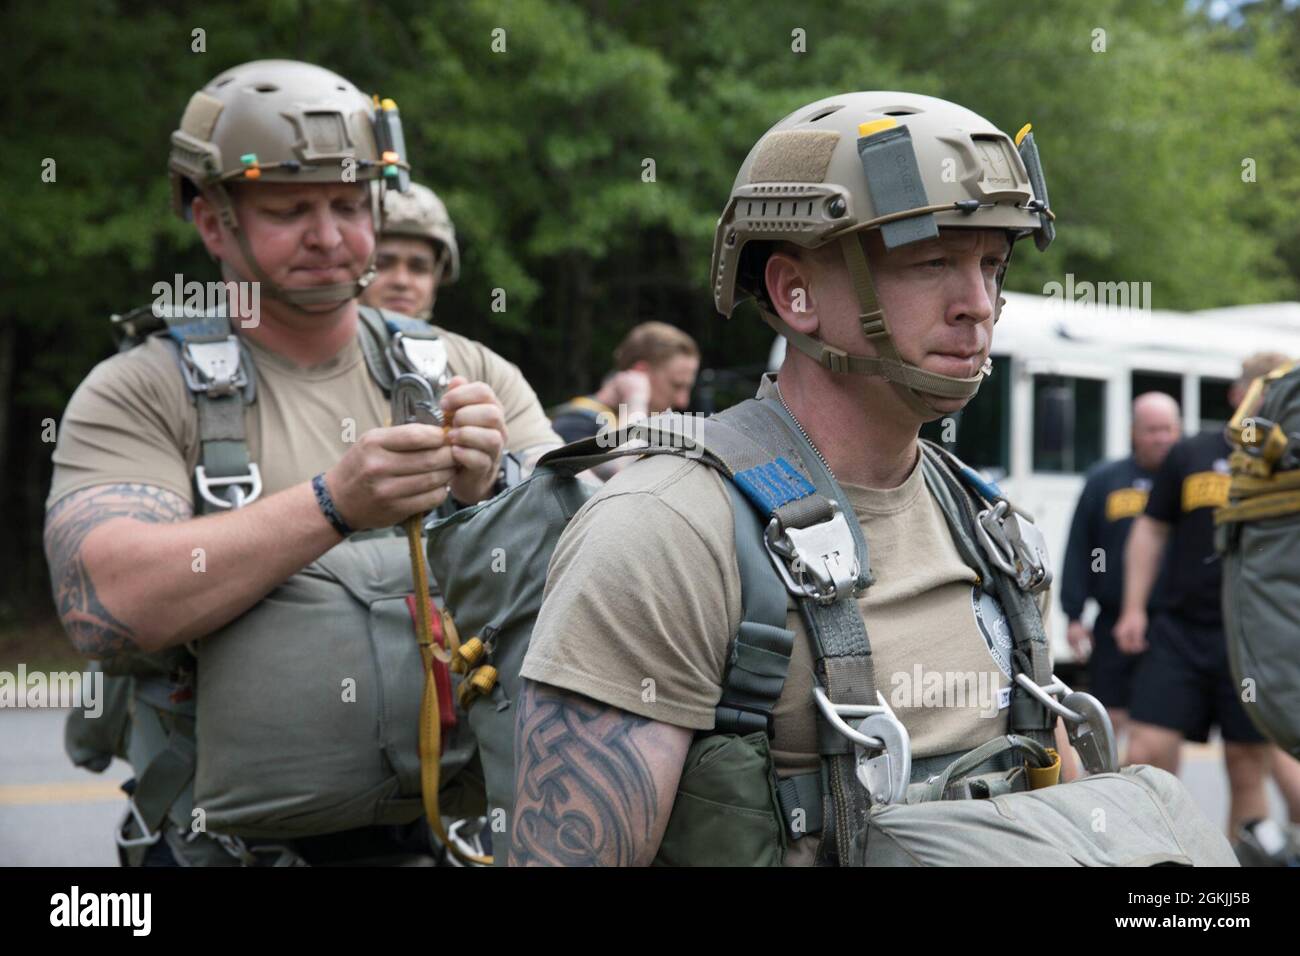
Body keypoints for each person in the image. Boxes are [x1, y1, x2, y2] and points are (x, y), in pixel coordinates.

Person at [510, 91, 1069, 866]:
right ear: (793, 293)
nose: (977, 305)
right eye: (932, 260)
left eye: (991, 263)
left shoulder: (997, 534)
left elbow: (1060, 804)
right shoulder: (664, 529)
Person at [43, 59, 561, 866]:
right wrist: (333, 504)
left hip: (456, 839)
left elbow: (600, 581)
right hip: (226, 849)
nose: (329, 236)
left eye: (351, 206)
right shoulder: (140, 391)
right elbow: (106, 605)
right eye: (290, 210)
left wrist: (493, 494)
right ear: (213, 221)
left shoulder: (471, 371)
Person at [1117, 353, 1300, 840]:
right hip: (1180, 629)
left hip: (1252, 638)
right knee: (1146, 752)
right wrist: (1133, 608)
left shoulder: (1290, 463)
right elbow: (1150, 531)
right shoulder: (1191, 452)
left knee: (1247, 765)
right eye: (1263, 391)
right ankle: (1153, 856)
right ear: (1238, 395)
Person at [1060, 392, 1181, 742]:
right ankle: (1105, 791)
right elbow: (1080, 546)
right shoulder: (1105, 479)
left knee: (1160, 726)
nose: (1160, 438)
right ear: (1133, 432)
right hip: (1113, 622)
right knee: (1108, 719)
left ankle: (1154, 795)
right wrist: (1073, 614)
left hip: (1171, 624)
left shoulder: (1189, 481)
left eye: (1168, 429)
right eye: (1151, 430)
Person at [549, 321, 700, 444]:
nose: (683, 402)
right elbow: (621, 470)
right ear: (640, 373)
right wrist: (635, 401)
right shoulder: (572, 424)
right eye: (676, 385)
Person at [359, 182, 458, 320]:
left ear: (436, 275)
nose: (401, 281)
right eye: (382, 265)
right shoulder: (319, 341)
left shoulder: (457, 343)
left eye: (419, 268)